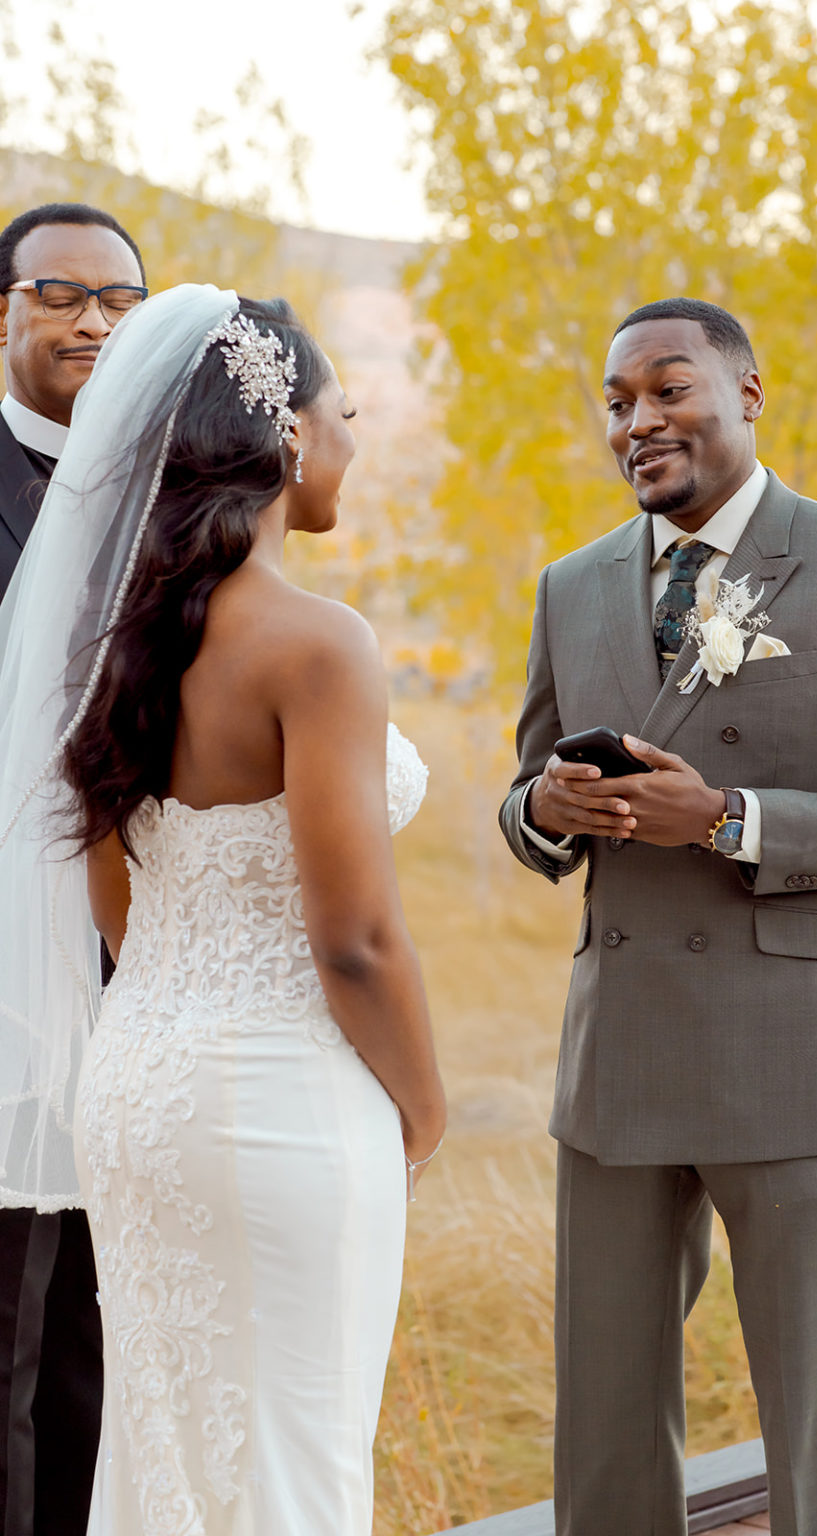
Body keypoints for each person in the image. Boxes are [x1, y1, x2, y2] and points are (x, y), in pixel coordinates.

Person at [498, 297, 817, 1536]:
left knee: (813, 1418)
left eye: (668, 390)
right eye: (616, 403)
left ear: (746, 395)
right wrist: (545, 809)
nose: (638, 422)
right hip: (618, 1053)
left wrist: (726, 819)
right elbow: (523, 803)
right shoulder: (570, 586)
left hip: (784, 1049)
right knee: (600, 1417)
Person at [0, 284, 446, 1535]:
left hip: (136, 1083)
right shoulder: (317, 643)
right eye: (345, 413)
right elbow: (354, 937)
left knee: (168, 1453)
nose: (355, 443)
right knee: (294, 1461)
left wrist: (184, 1008)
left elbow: (113, 896)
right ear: (290, 434)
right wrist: (420, 1104)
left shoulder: (115, 636)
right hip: (282, 1093)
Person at [0, 199, 147, 1536]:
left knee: (110, 1333)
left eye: (118, 303)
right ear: (4, 311)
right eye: (61, 294)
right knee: (5, 1338)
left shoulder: (167, 493)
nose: (93, 323)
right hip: (4, 991)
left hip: (144, 975)